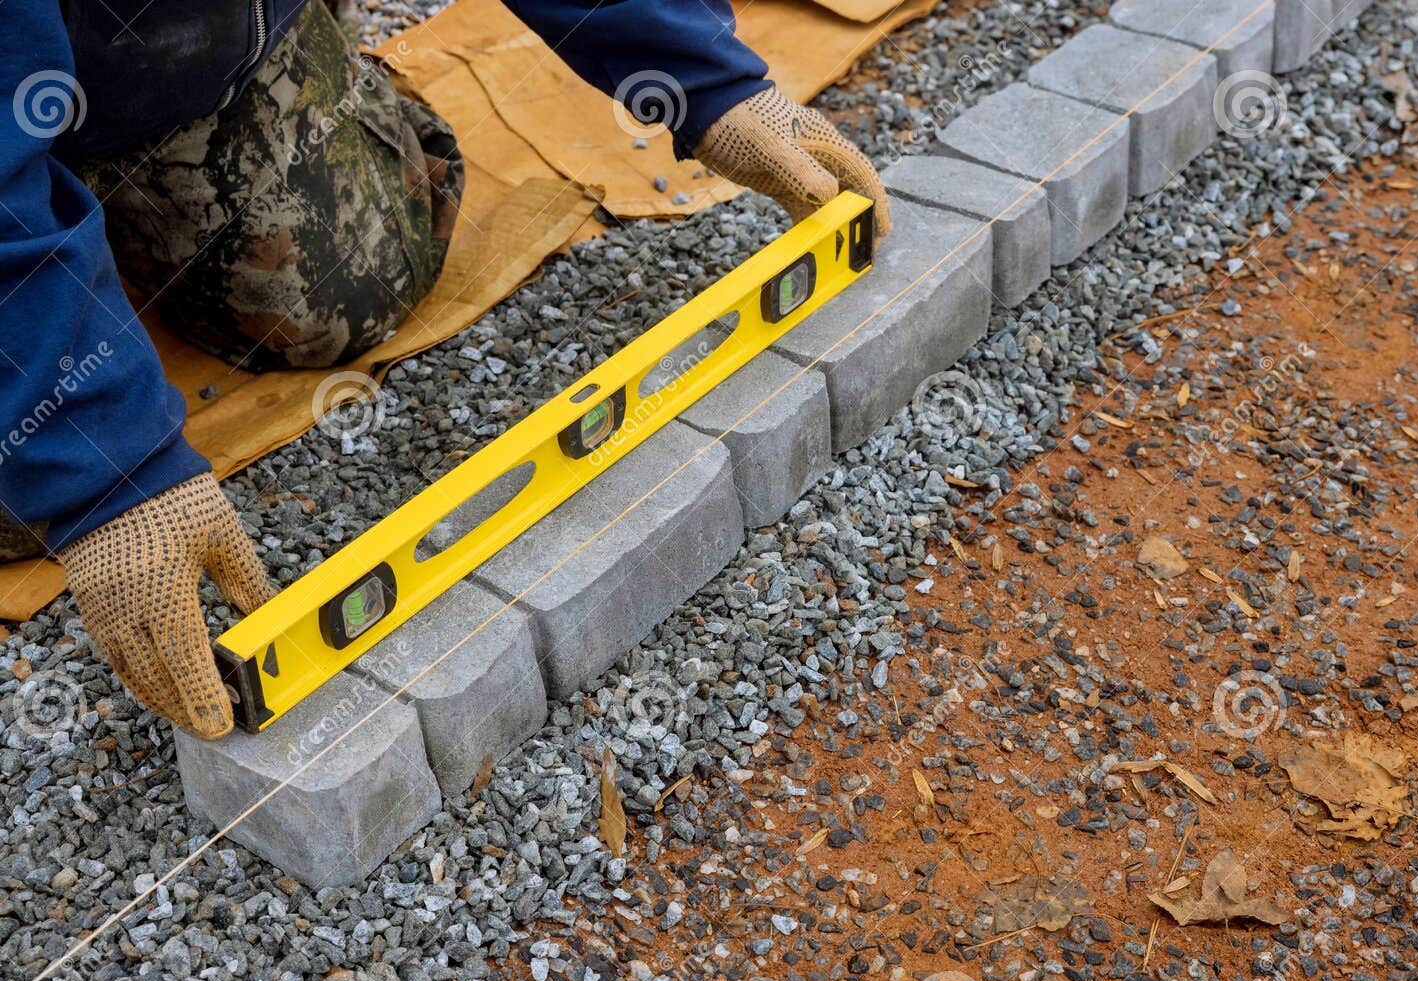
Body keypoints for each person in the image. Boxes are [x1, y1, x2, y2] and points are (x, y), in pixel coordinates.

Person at [0, 0, 891, 739]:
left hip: (179, 48)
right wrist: (99, 469)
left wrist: (704, 81)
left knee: (339, 287)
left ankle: (268, 111)